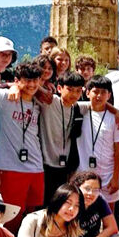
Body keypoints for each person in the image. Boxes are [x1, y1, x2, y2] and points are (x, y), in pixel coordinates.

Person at [0, 61, 45, 233]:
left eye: (36, 80)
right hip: (11, 166)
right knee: (11, 216)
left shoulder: (38, 102)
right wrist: (10, 86)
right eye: (27, 80)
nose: (32, 85)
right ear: (17, 80)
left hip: (36, 166)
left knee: (32, 214)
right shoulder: (6, 97)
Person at [77, 76, 119, 208]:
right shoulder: (79, 111)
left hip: (107, 176)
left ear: (109, 95)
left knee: (107, 213)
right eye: (95, 91)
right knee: (81, 211)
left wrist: (116, 178)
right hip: (83, 174)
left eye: (103, 92)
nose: (99, 95)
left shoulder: (115, 118)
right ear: (87, 93)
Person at [38, 71, 87, 203]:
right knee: (43, 203)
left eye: (78, 91)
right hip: (45, 164)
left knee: (59, 202)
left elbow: (96, 104)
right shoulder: (50, 102)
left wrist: (115, 111)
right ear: (59, 88)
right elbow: (32, 86)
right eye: (70, 89)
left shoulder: (76, 107)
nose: (74, 94)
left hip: (65, 167)